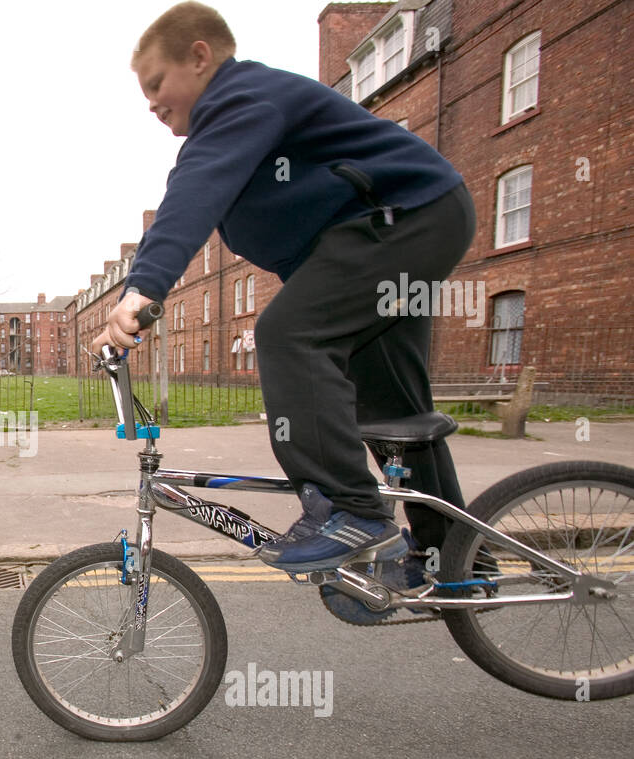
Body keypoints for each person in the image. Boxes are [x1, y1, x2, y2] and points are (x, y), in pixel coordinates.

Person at [93, 2, 475, 576]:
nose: (150, 101)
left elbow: (197, 189)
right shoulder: (234, 124)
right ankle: (455, 562)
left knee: (287, 333)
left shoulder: (242, 96)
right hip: (407, 227)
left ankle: (350, 510)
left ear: (200, 58)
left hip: (404, 218)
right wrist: (143, 277)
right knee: (390, 411)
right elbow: (191, 187)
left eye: (155, 83)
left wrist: (143, 289)